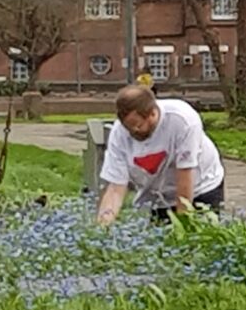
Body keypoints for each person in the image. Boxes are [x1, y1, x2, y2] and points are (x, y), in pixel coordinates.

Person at [95, 84, 228, 224]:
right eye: (128, 127)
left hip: (200, 186)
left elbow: (185, 175)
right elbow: (116, 188)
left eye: (138, 125)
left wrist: (182, 225)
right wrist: (103, 227)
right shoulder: (119, 134)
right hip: (158, 195)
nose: (133, 131)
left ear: (152, 113)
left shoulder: (182, 120)